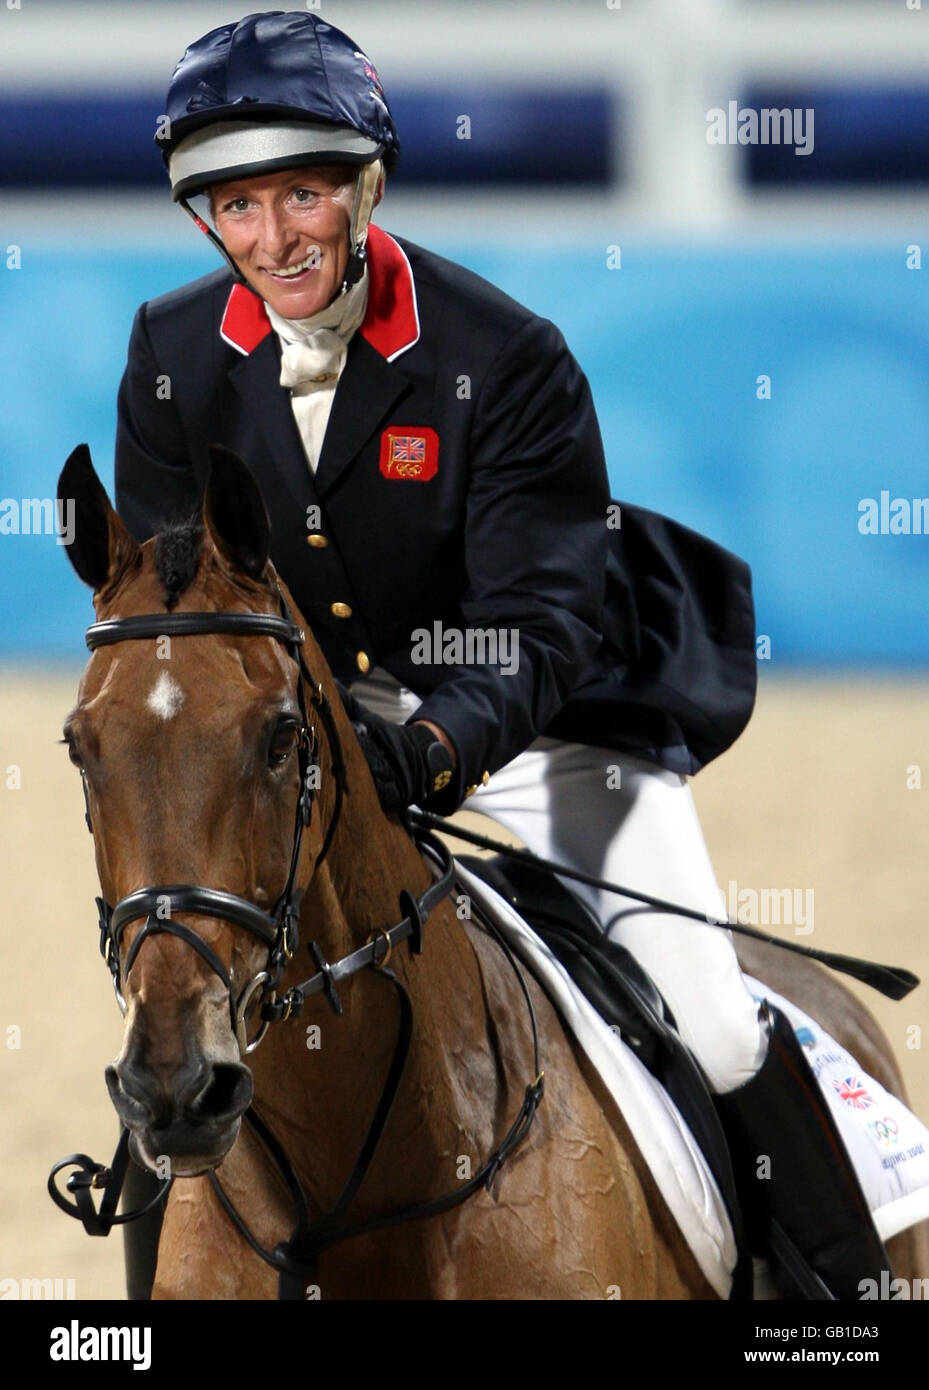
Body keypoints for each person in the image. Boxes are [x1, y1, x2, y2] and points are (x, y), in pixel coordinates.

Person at [113, 10, 889, 1299]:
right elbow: (185, 596)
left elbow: (541, 615)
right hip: (298, 731)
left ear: (367, 184)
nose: (273, 239)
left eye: (302, 194)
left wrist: (429, 742)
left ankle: (829, 1301)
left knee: (702, 1010)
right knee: (177, 1021)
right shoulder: (172, 356)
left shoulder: (505, 355)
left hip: (540, 720)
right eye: (236, 207)